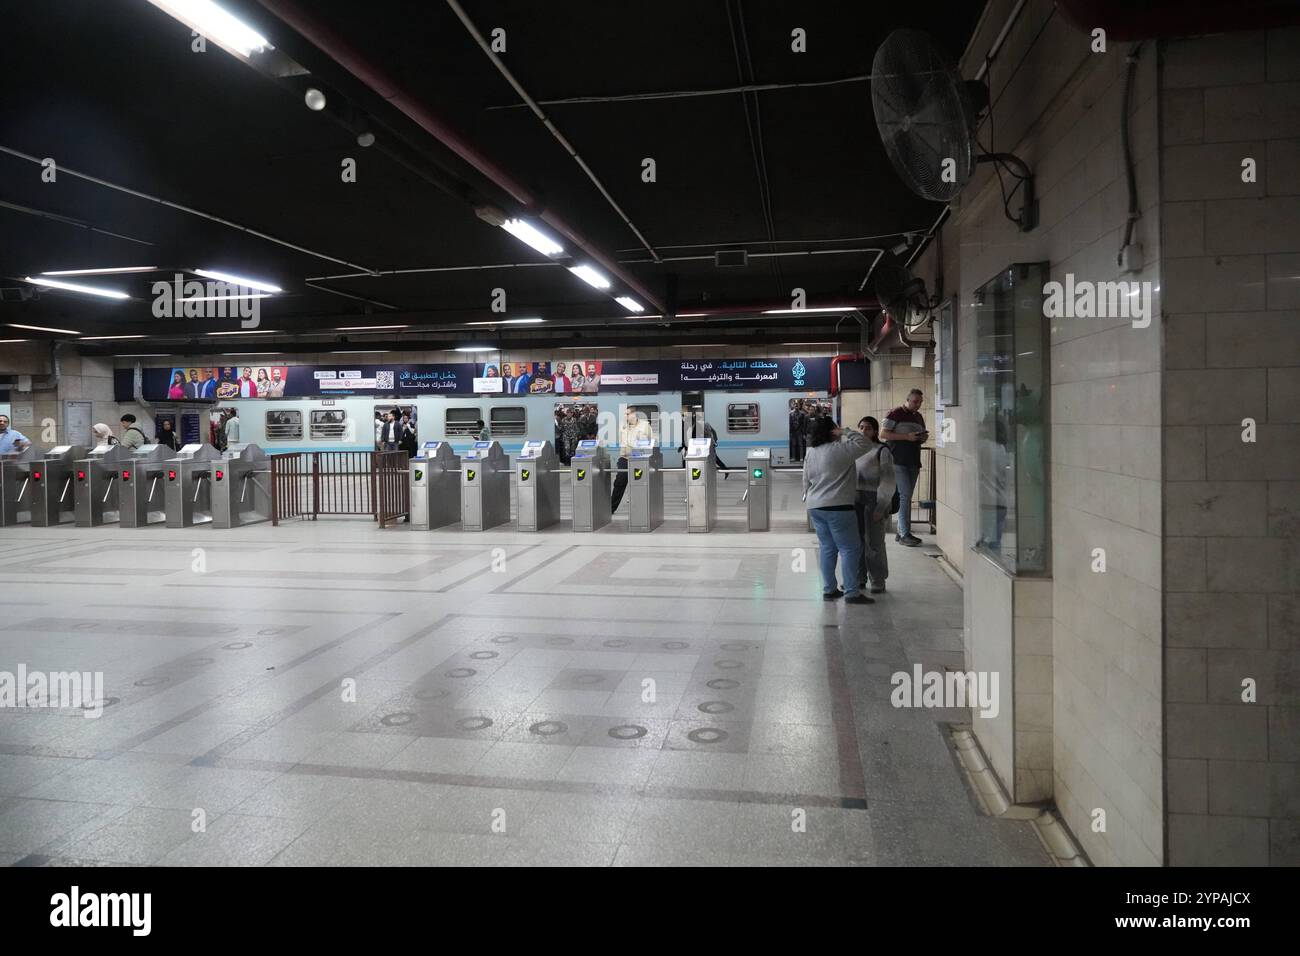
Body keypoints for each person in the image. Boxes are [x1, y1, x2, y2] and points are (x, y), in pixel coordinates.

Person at [803, 416, 876, 604]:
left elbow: (805, 479)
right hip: (839, 506)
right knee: (849, 549)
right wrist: (846, 431)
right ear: (832, 431)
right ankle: (851, 592)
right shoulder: (842, 449)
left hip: (815, 506)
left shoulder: (811, 452)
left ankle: (829, 589)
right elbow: (866, 443)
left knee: (827, 548)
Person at [881, 388, 929, 547]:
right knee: (905, 495)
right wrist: (906, 437)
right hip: (897, 460)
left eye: (920, 402)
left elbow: (919, 437)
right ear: (907, 400)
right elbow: (884, 434)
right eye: (915, 401)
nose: (918, 404)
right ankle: (904, 534)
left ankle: (902, 531)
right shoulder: (895, 413)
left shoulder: (919, 417)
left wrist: (922, 438)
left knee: (906, 497)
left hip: (913, 460)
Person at [854, 417, 896, 594]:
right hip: (856, 500)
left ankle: (878, 579)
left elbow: (888, 480)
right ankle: (859, 577)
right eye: (861, 427)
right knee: (858, 542)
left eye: (868, 428)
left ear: (875, 431)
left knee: (874, 542)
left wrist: (881, 507)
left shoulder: (882, 451)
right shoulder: (854, 450)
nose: (864, 431)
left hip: (874, 500)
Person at [611, 408, 653, 513]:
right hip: (624, 458)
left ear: (634, 414)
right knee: (619, 482)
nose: (625, 416)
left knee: (639, 483)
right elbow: (621, 440)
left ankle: (641, 509)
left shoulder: (645, 425)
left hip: (639, 459)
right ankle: (611, 508)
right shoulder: (622, 426)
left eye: (627, 414)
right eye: (624, 414)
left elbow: (651, 441)